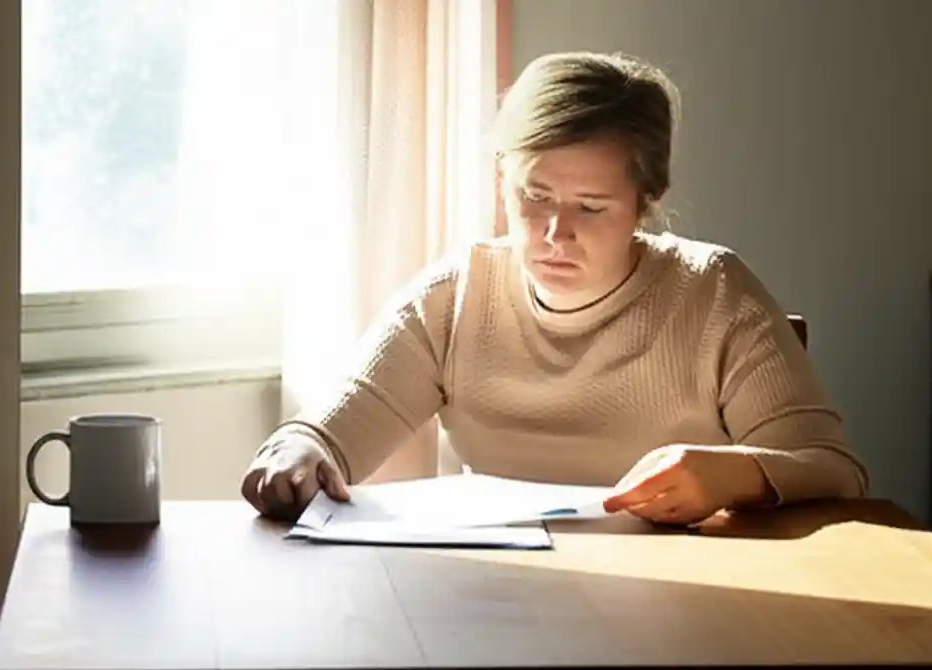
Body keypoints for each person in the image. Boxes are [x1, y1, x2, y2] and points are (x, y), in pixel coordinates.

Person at [242, 51, 868, 525]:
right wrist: (297, 450)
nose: (553, 233)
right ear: (501, 180)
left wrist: (736, 476)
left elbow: (836, 470)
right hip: (500, 599)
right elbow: (328, 432)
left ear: (647, 202)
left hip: (678, 615)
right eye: (533, 197)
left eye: (592, 208)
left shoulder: (714, 293)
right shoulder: (459, 294)